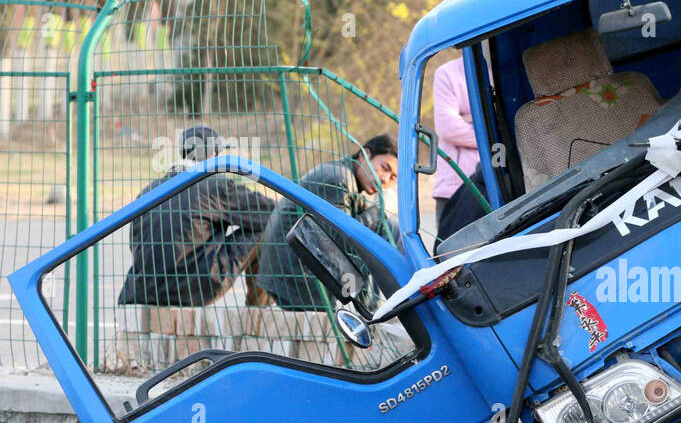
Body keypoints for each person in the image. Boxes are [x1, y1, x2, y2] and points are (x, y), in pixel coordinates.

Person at [118, 126, 275, 308]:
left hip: (144, 290)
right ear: (214, 156)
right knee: (267, 226)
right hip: (191, 290)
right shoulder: (214, 185)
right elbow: (272, 212)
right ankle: (258, 316)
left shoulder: (148, 191)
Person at [255, 134, 398, 311]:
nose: (385, 179)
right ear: (364, 154)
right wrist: (380, 210)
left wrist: (378, 210)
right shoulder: (338, 178)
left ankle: (373, 309)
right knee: (388, 227)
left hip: (297, 270)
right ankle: (375, 310)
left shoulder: (344, 175)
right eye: (384, 168)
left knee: (386, 225)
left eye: (392, 178)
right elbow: (340, 239)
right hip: (296, 277)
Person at [431, 55, 480, 231]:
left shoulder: (505, 67)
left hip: (493, 185)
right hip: (453, 187)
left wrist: (468, 119)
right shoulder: (447, 73)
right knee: (449, 253)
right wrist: (489, 134)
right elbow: (448, 128)